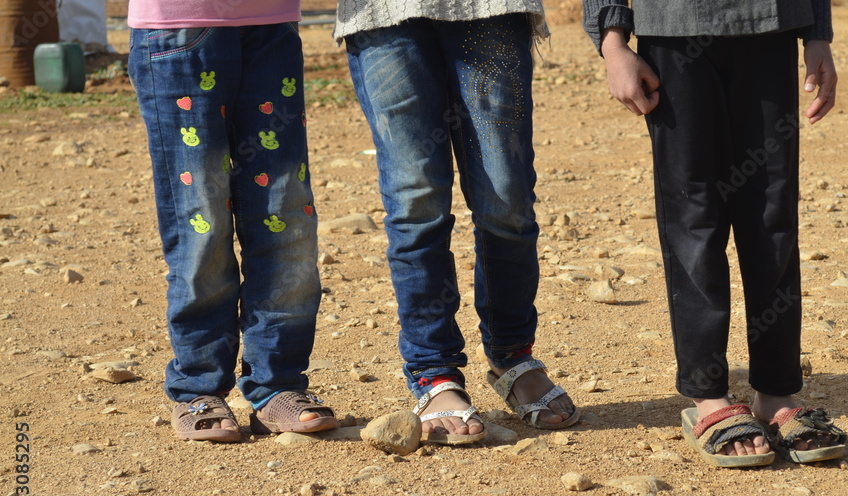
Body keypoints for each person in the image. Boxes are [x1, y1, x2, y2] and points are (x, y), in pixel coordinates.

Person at [584, 0, 846, 466]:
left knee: (772, 213)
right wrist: (612, 39)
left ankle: (776, 391)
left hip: (771, 24)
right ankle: (708, 396)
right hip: (673, 30)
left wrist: (817, 32)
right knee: (693, 215)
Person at [336, 1, 579, 444]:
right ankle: (433, 370)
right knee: (415, 201)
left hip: (491, 8)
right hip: (382, 13)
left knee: (506, 197)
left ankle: (512, 355)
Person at [128, 1, 337, 442]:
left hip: (270, 23)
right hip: (180, 25)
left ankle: (277, 384)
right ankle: (198, 388)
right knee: (200, 222)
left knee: (286, 215)